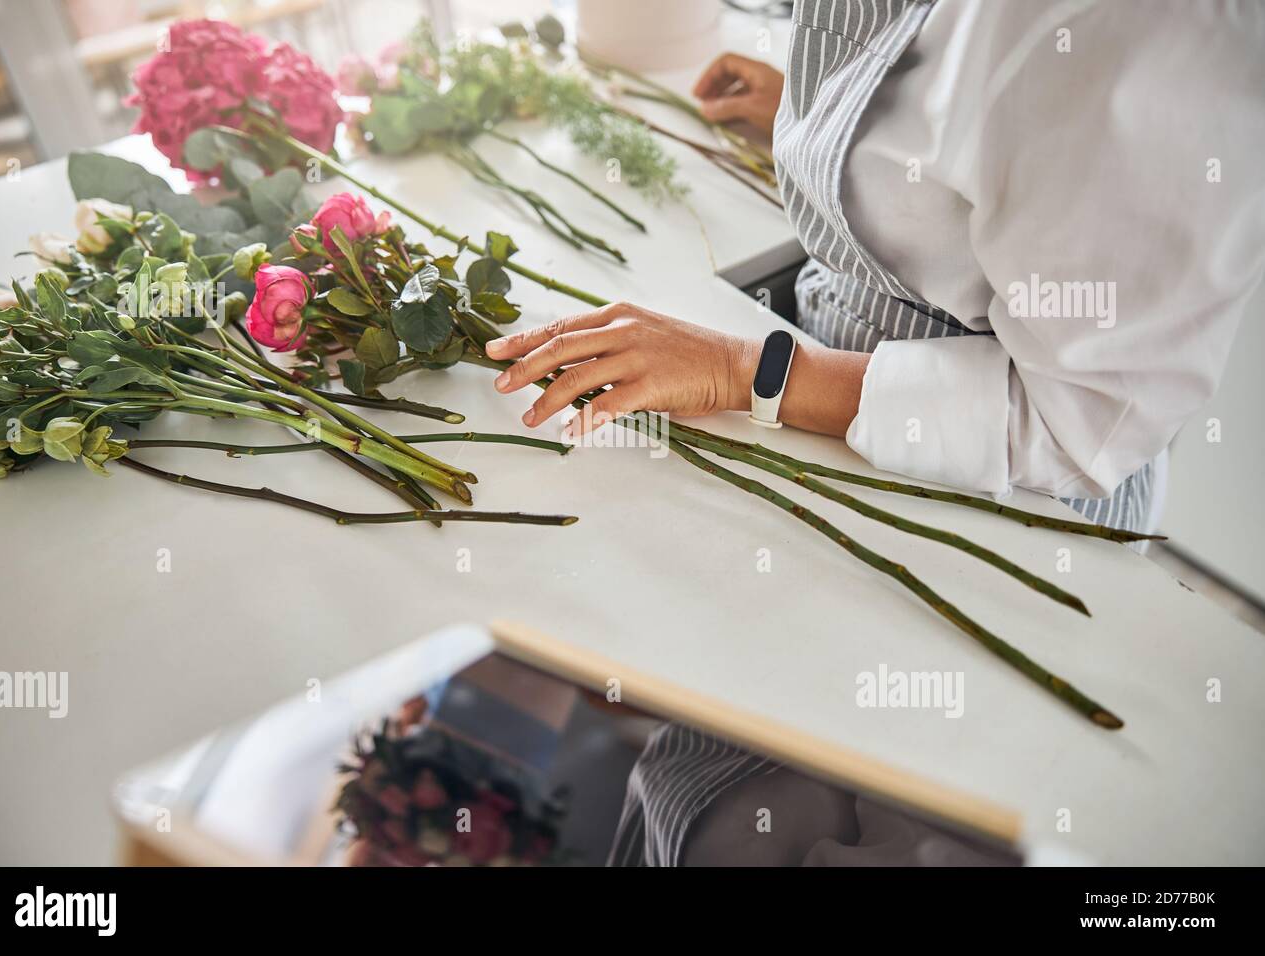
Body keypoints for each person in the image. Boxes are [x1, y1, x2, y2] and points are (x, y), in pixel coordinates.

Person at [496, 0, 1265, 866]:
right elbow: (1008, 124)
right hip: (838, 401)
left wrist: (746, 372)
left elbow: (1070, 421)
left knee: (816, 801)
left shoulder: (1150, 27)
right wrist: (864, 147)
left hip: (993, 487)